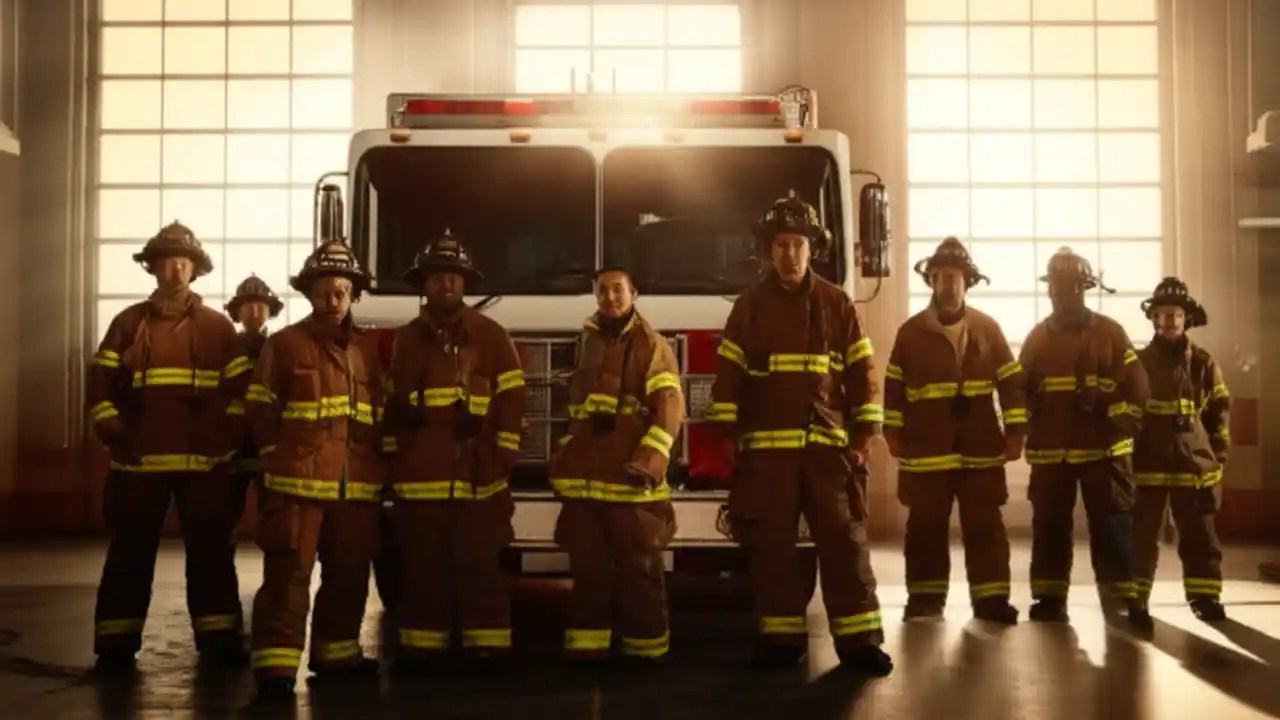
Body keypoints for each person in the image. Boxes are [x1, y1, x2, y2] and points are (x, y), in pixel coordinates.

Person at [707, 192, 892, 675]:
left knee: (845, 543)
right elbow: (728, 381)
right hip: (768, 460)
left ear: (813, 249)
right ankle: (780, 640)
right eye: (781, 245)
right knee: (774, 551)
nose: (789, 254)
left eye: (798, 244)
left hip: (829, 454)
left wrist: (863, 435)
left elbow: (862, 373)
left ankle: (860, 644)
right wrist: (729, 439)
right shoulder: (748, 308)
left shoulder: (837, 303)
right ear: (768, 251)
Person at [86, 221, 249, 673]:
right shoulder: (128, 324)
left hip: (205, 463)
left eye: (184, 262)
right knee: (129, 555)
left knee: (212, 552)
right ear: (154, 268)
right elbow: (99, 384)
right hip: (138, 463)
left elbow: (244, 394)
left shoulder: (219, 329)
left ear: (195, 271)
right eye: (167, 262)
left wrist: (228, 436)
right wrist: (114, 431)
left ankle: (219, 640)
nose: (176, 270)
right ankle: (115, 645)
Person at [245, 241, 385, 701]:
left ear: (353, 295)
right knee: (289, 576)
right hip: (298, 483)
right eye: (325, 290)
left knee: (348, 574)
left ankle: (337, 655)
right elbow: (260, 407)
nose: (334, 299)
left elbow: (381, 411)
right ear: (310, 294)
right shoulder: (284, 345)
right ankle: (276, 668)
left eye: (343, 290)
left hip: (355, 483)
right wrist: (276, 457)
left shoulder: (368, 351)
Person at [381, 231, 526, 674]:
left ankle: (488, 647)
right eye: (437, 277)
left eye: (454, 277)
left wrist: (500, 457)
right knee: (422, 569)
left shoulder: (491, 335)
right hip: (420, 475)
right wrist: (398, 451)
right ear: (423, 285)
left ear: (465, 284)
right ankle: (423, 649)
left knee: (480, 564)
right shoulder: (405, 340)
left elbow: (513, 398)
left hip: (478, 475)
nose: (446, 285)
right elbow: (389, 399)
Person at [883, 237, 1025, 624]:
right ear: (930, 281)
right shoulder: (911, 333)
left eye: (955, 277)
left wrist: (1016, 433)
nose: (948, 284)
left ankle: (991, 601)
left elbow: (1011, 383)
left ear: (967, 282)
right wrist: (891, 432)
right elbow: (894, 387)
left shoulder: (988, 329)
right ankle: (925, 600)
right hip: (926, 449)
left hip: (980, 448)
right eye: (940, 276)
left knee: (985, 529)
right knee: (925, 528)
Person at [550, 267, 684, 666]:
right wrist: (567, 453)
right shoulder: (588, 342)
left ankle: (646, 653)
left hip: (631, 481)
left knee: (639, 572)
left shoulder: (652, 345)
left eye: (618, 289)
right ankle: (587, 651)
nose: (610, 297)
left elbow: (669, 409)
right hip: (587, 483)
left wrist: (649, 462)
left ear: (634, 293)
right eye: (603, 290)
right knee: (589, 571)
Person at [1020, 247, 1151, 628]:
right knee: (1049, 528)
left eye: (1072, 287)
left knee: (1112, 527)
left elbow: (1138, 388)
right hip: (1052, 454)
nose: (1064, 295)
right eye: (1058, 287)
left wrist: (1115, 413)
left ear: (1086, 288)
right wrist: (1022, 426)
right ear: (1049, 291)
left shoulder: (1110, 333)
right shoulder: (1037, 339)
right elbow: (1017, 389)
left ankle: (1120, 598)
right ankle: (1049, 597)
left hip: (1103, 451)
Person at [1131, 278, 1230, 622]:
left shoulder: (1203, 364)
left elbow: (1219, 413)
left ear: (1186, 319)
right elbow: (1128, 413)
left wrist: (1217, 460)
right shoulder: (1138, 363)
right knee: (1140, 536)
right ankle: (1136, 599)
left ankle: (1205, 598)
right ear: (1154, 319)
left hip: (1194, 466)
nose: (1170, 321)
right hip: (1148, 464)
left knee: (1200, 536)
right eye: (1163, 315)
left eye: (1175, 315)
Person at [224, 274, 285, 523]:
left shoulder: (281, 348)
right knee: (223, 514)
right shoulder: (224, 348)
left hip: (269, 441)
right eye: (248, 306)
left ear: (271, 312)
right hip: (231, 442)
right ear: (237, 313)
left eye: (262, 306)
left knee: (274, 512)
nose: (256, 311)